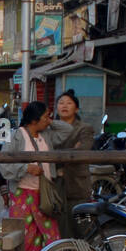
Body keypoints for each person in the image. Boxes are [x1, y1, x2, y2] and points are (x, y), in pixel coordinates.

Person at [0, 101, 60, 251]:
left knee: (50, 237)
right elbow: (3, 164)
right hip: (22, 192)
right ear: (34, 119)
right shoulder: (16, 136)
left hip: (44, 193)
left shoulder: (47, 134)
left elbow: (66, 131)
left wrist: (51, 120)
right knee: (24, 237)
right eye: (45, 117)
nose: (49, 121)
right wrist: (25, 167)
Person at [48, 90, 96, 238]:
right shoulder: (49, 129)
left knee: (81, 229)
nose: (64, 106)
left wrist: (60, 155)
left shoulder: (84, 128)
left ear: (76, 108)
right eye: (61, 103)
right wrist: (71, 150)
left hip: (77, 185)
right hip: (54, 183)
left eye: (69, 103)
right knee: (59, 228)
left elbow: (83, 151)